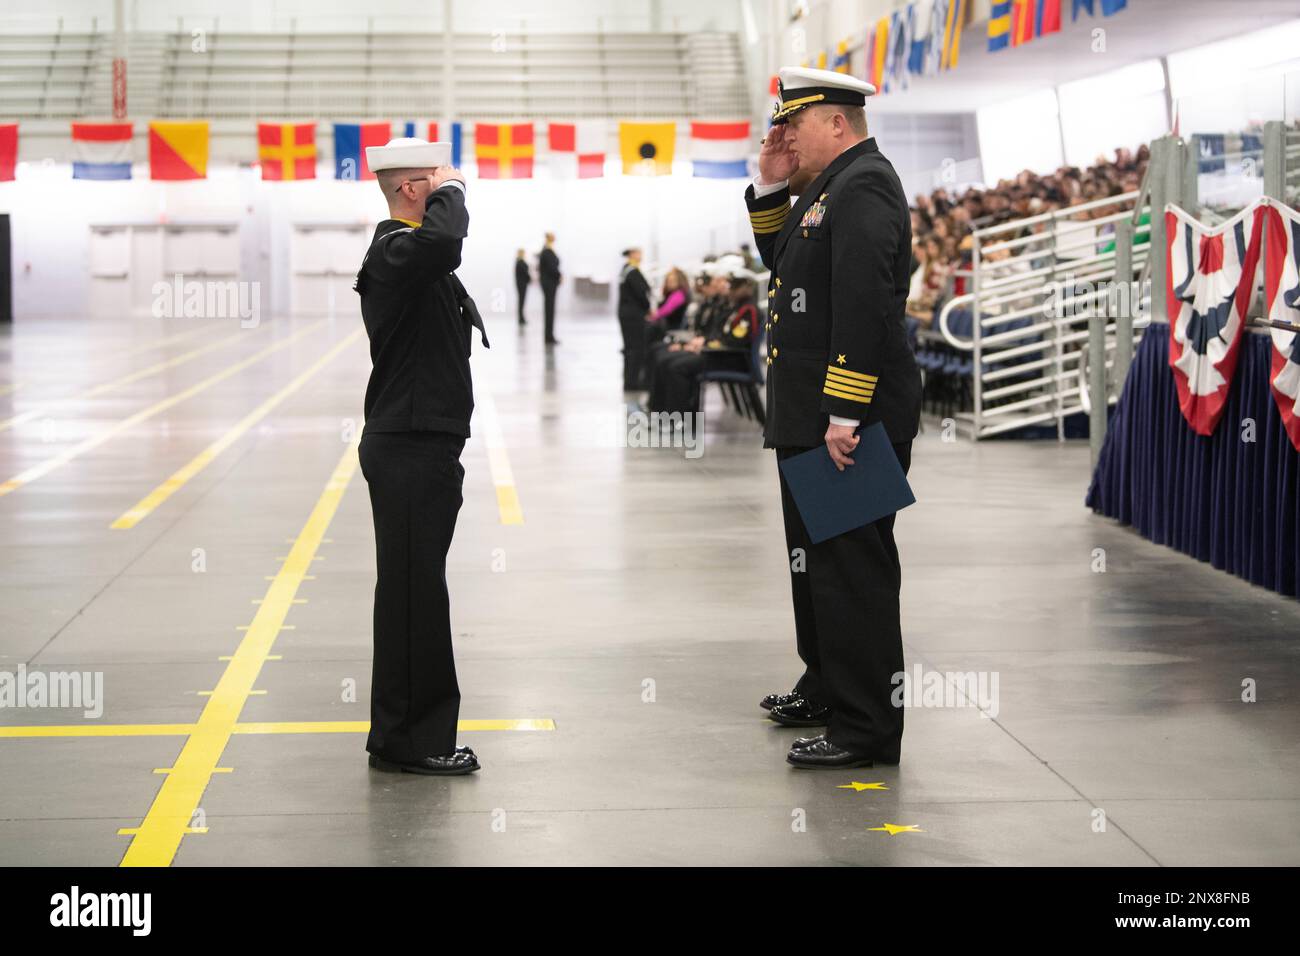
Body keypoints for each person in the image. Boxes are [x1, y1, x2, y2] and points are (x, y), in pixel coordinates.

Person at [745, 67, 922, 770]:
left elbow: (864, 302)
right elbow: (784, 266)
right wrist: (767, 184)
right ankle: (827, 685)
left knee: (853, 575)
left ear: (837, 123)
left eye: (796, 123)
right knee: (815, 568)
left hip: (850, 419)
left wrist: (845, 410)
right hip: (810, 417)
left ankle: (867, 728)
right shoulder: (825, 187)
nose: (785, 134)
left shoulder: (866, 183)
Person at [353, 137, 490, 777]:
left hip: (425, 442)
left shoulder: (409, 256)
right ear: (413, 190)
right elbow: (443, 241)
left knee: (418, 590)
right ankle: (412, 739)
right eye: (435, 183)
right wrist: (453, 192)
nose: (449, 193)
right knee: (414, 595)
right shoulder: (394, 250)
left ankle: (408, 732)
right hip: (407, 444)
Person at [650, 266, 757, 417]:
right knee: (667, 359)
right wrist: (696, 344)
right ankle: (662, 414)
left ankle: (679, 420)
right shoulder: (733, 307)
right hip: (717, 354)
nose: (726, 287)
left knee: (676, 366)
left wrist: (704, 346)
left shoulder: (748, 310)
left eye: (732, 285)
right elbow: (715, 333)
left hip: (729, 359)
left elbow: (734, 342)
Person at [616, 247, 651, 392]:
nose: (641, 255)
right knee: (635, 348)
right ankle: (632, 382)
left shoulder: (626, 270)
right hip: (633, 315)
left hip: (626, 314)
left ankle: (630, 380)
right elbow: (641, 293)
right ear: (632, 254)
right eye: (638, 253)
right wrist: (648, 308)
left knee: (630, 348)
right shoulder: (632, 272)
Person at [539, 231, 561, 345]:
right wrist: (559, 276)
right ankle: (549, 336)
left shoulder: (547, 250)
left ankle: (549, 335)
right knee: (549, 310)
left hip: (549, 284)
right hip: (549, 284)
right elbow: (552, 268)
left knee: (550, 310)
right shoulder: (547, 251)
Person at [514, 248, 530, 325]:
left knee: (521, 301)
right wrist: (530, 279)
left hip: (521, 284)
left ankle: (521, 318)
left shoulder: (518, 262)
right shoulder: (520, 262)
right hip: (522, 285)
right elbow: (525, 273)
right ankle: (521, 318)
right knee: (521, 301)